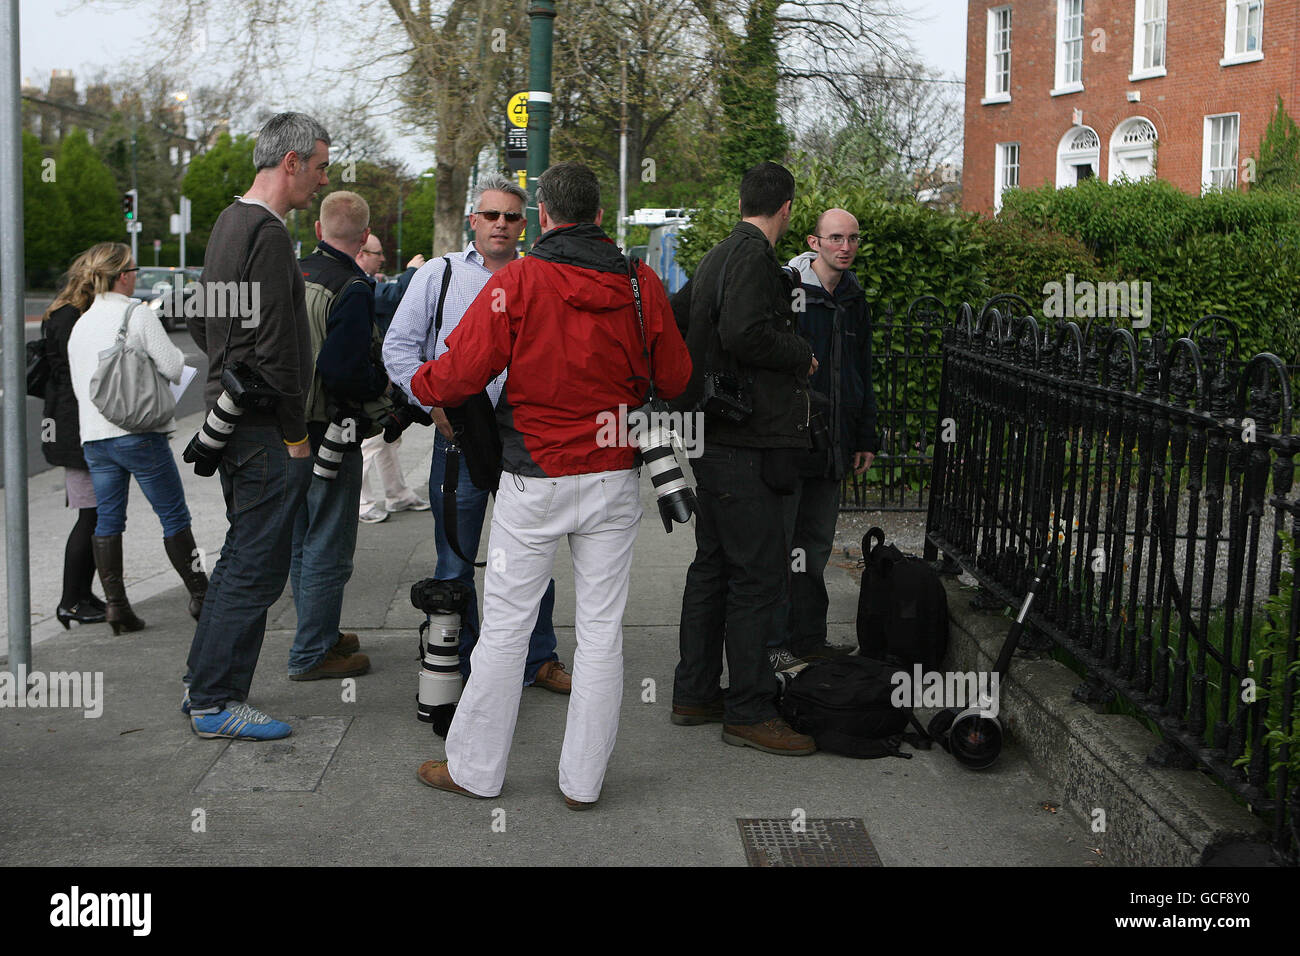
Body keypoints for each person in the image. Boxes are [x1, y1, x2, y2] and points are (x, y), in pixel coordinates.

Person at [409, 161, 692, 808]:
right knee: (601, 631)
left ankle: (476, 770)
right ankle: (583, 782)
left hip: (533, 477)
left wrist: (416, 387)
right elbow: (675, 377)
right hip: (614, 476)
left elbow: (459, 375)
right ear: (598, 213)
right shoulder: (640, 281)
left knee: (507, 628)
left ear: (543, 215)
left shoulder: (522, 280)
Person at [384, 173, 570, 694]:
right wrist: (432, 401)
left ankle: (538, 658)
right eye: (492, 215)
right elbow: (397, 348)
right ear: (474, 220)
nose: (502, 225)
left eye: (512, 216)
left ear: (525, 223)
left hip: (524, 434)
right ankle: (457, 665)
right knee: (456, 555)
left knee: (532, 554)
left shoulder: (538, 274)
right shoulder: (439, 274)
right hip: (460, 433)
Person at [183, 111, 330, 741]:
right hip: (265, 428)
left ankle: (203, 685)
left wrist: (222, 367)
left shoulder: (227, 223)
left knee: (239, 557)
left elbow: (200, 318)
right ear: (290, 162)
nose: (323, 181)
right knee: (256, 567)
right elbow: (279, 352)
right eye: (320, 167)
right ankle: (217, 700)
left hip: (231, 419)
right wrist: (296, 433)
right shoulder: (268, 235)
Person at [671, 161, 819, 756]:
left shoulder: (714, 255)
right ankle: (750, 709)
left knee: (713, 567)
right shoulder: (757, 257)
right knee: (758, 576)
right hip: (746, 442)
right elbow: (743, 333)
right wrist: (799, 353)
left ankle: (694, 693)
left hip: (713, 440)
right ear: (786, 208)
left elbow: (685, 321)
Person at [65, 242, 207, 633]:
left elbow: (82, 386)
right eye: (134, 269)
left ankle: (116, 605)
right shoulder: (135, 314)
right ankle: (200, 594)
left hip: (95, 438)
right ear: (123, 275)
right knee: (173, 514)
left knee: (108, 519)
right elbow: (174, 365)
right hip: (139, 434)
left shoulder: (81, 324)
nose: (136, 276)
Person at [285, 190, 385, 681]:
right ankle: (312, 651)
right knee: (329, 542)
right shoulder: (353, 286)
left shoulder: (294, 272)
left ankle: (317, 631)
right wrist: (381, 388)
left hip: (287, 428)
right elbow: (343, 370)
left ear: (320, 230)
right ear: (364, 236)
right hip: (331, 429)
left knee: (302, 537)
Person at [782, 208, 881, 659]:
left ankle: (809, 642)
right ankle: (775, 646)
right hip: (792, 440)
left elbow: (862, 370)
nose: (846, 247)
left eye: (854, 238)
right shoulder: (790, 290)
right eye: (837, 237)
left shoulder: (855, 297)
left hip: (836, 442)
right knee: (782, 548)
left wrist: (864, 437)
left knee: (816, 547)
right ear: (814, 241)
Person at [40, 250, 107, 628]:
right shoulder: (70, 317)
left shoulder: (62, 312)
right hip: (76, 431)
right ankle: (71, 600)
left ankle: (82, 594)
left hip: (73, 428)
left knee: (95, 514)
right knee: (91, 516)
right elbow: (73, 375)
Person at [355, 234, 429, 524]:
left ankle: (397, 494)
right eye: (378, 253)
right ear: (362, 253)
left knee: (387, 438)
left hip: (378, 370)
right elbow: (392, 297)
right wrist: (412, 271)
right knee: (371, 442)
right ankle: (360, 503)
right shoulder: (358, 281)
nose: (383, 258)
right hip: (368, 372)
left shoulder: (363, 279)